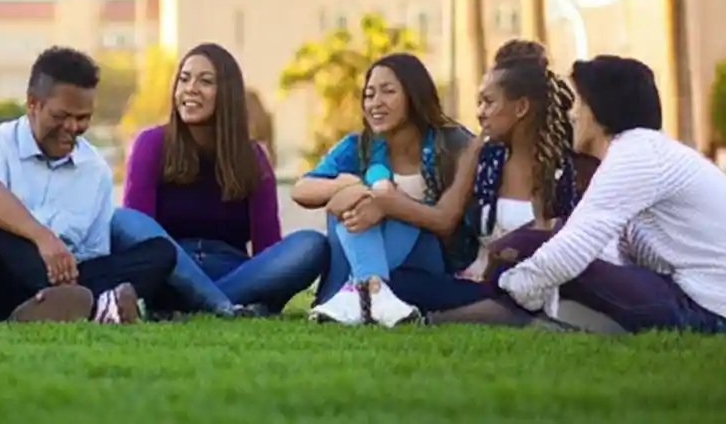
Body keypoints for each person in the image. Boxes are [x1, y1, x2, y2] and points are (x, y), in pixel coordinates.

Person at [354, 40, 595, 327]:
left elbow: (562, 242)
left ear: (520, 108)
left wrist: (507, 251)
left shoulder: (564, 170)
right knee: (399, 281)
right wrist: (389, 201)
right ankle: (491, 313)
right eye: (479, 102)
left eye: (488, 102)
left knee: (516, 292)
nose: (480, 112)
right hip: (482, 283)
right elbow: (445, 218)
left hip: (541, 282)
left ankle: (476, 315)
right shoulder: (482, 158)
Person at [0, 46, 176, 323]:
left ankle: (64, 305)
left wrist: (67, 269)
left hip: (61, 278)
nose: (72, 127)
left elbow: (93, 255)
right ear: (33, 104)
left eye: (82, 118)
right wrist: (43, 238)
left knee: (161, 253)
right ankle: (97, 306)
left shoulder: (95, 170)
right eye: (61, 116)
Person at [497, 55, 726, 334]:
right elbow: (605, 250)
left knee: (542, 251)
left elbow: (573, 248)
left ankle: (493, 306)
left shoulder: (638, 153)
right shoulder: (642, 151)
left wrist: (511, 286)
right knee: (533, 242)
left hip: (708, 309)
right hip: (693, 296)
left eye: (580, 104)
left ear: (601, 109)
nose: (572, 115)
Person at [113, 43, 328, 316]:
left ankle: (201, 306)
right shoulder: (151, 143)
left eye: (205, 81)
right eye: (184, 79)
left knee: (311, 244)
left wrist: (272, 280)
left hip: (234, 270)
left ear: (227, 94)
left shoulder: (252, 156)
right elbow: (139, 233)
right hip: (173, 270)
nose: (190, 89)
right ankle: (223, 306)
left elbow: (268, 248)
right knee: (125, 220)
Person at [292, 53, 475, 327]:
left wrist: (388, 203)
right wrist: (354, 187)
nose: (376, 103)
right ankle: (374, 291)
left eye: (388, 91)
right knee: (353, 201)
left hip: (424, 262)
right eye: (369, 95)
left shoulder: (451, 143)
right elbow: (302, 190)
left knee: (379, 205)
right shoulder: (359, 145)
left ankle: (355, 291)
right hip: (368, 249)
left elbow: (445, 222)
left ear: (414, 94)